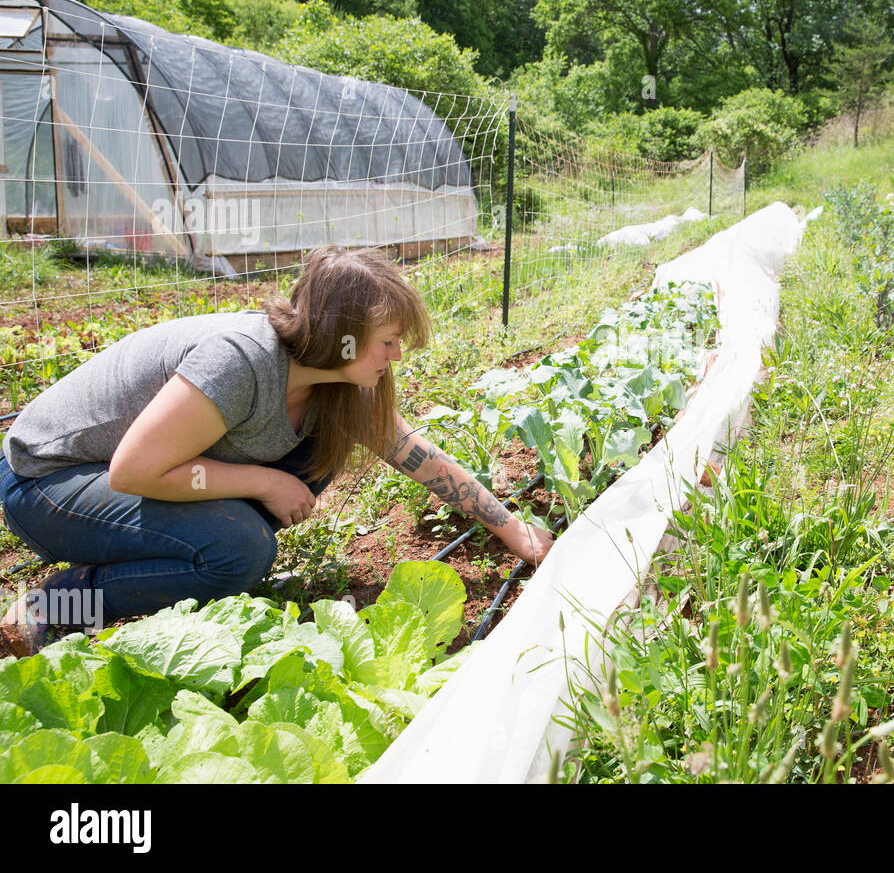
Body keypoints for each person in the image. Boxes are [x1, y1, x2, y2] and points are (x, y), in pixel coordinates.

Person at [0, 245, 554, 657]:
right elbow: (133, 470)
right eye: (388, 340)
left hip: (130, 480)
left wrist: (510, 528)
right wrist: (264, 483)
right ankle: (58, 604)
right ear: (341, 334)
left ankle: (172, 556)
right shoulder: (239, 362)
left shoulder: (337, 385)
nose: (398, 354)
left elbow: (416, 454)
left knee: (309, 461)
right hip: (49, 483)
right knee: (239, 549)